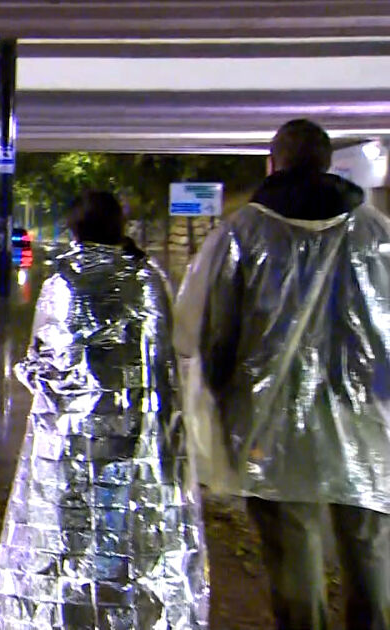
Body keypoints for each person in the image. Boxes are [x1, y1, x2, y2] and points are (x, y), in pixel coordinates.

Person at [175, 119, 390, 629]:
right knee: (371, 545)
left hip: (271, 425)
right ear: (326, 164)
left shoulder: (241, 232)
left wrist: (218, 404)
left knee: (294, 550)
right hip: (367, 423)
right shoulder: (375, 231)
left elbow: (208, 332)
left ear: (272, 164)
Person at [0, 192, 208, 629]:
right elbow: (166, 362)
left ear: (73, 229)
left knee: (69, 533)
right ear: (121, 226)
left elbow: (50, 366)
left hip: (73, 442)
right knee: (135, 532)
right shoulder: (149, 279)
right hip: (141, 439)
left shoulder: (63, 281)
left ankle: (70, 616)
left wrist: (20, 370)